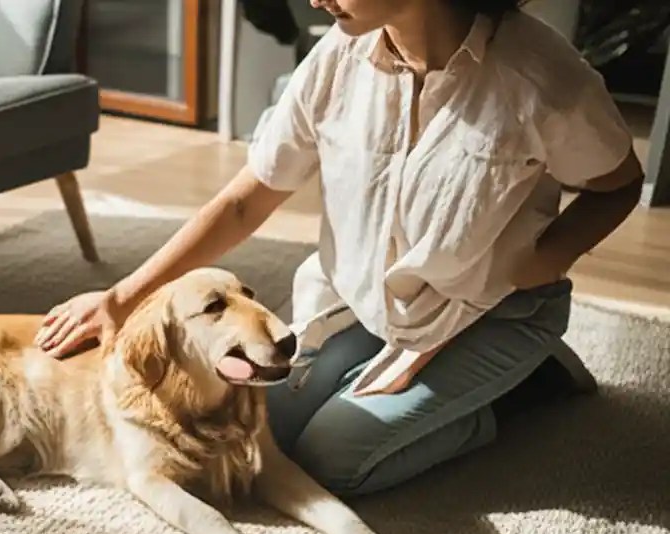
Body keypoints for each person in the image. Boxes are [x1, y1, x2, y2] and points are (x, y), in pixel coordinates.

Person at [33, 0, 645, 496]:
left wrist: (546, 259)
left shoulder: (539, 78)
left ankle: (518, 391)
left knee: (331, 463)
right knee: (262, 433)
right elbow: (246, 202)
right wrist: (120, 299)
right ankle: (412, 379)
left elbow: (618, 185)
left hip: (490, 312)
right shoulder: (336, 59)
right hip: (366, 306)